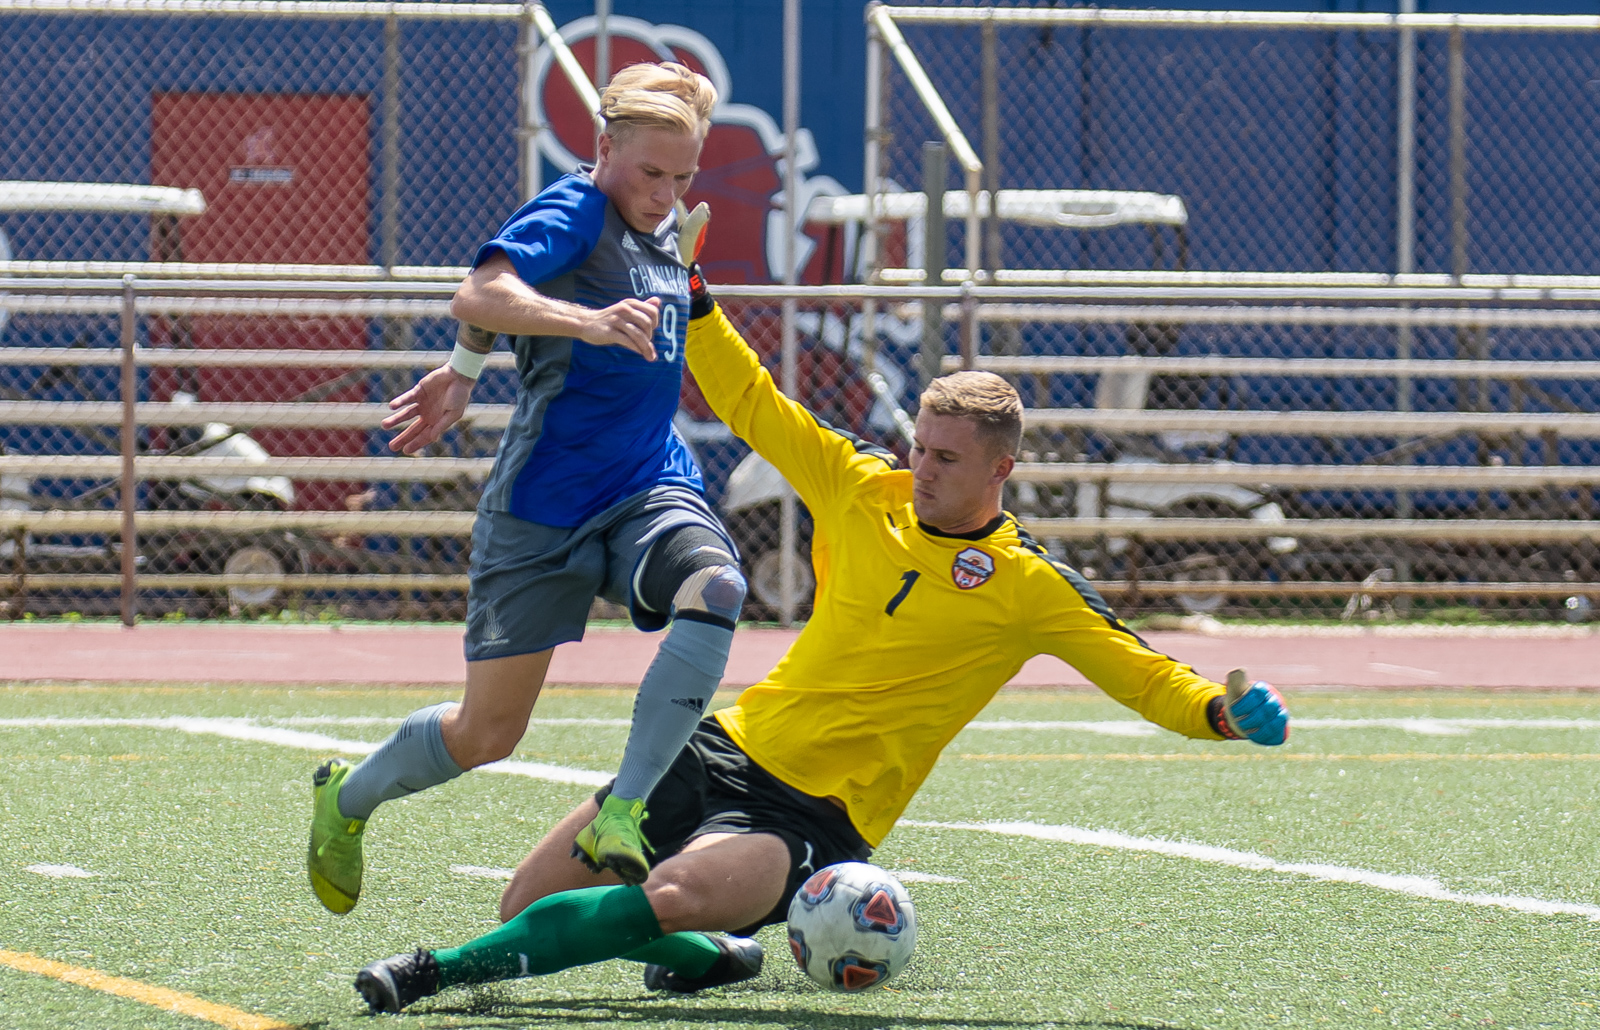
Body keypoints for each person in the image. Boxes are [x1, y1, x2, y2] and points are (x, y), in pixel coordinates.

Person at [350, 241, 1292, 1013]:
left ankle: (432, 973)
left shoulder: (1028, 584)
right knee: (527, 900)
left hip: (815, 815)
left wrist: (1217, 712)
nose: (920, 468)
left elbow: (1141, 670)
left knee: (660, 897)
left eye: (946, 459)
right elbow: (756, 405)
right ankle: (720, 957)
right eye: (920, 446)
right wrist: (697, 294)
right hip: (720, 745)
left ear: (1000, 472)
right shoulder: (859, 487)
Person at [306, 62, 747, 916]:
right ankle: (347, 799)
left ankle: (623, 812)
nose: (665, 193)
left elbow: (497, 311)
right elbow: (482, 287)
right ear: (602, 147)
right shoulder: (575, 208)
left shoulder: (665, 226)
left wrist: (465, 369)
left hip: (649, 483)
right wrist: (577, 324)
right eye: (650, 173)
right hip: (544, 507)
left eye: (682, 176)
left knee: (719, 586)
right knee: (487, 735)